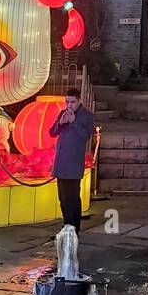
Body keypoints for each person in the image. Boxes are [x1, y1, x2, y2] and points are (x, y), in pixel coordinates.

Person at [49, 87, 96, 233]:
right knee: (63, 197)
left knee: (73, 197)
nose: (69, 105)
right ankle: (67, 225)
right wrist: (61, 122)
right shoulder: (63, 113)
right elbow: (52, 132)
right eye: (67, 102)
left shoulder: (86, 115)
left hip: (74, 162)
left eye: (73, 102)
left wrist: (74, 122)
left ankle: (73, 227)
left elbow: (86, 136)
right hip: (61, 161)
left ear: (79, 101)